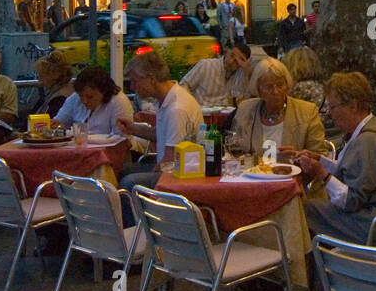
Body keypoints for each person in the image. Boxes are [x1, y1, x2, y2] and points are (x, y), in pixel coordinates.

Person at [294, 72, 376, 247]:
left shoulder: (368, 140)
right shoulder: (373, 127)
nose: (329, 114)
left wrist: (321, 174)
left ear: (353, 106)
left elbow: (350, 201)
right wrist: (320, 161)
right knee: (312, 209)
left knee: (302, 212)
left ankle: (310, 272)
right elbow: (353, 172)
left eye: (332, 107)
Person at [117, 50, 204, 185]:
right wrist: (132, 128)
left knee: (129, 181)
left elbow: (169, 160)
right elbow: (160, 134)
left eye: (135, 81)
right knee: (122, 170)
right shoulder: (166, 98)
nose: (133, 87)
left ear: (151, 79)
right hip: (172, 167)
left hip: (179, 173)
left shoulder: (177, 109)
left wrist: (147, 177)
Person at [230, 58, 328, 156]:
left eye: (280, 85)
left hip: (292, 169)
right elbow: (235, 147)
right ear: (258, 90)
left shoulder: (307, 112)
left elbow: (321, 156)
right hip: (253, 170)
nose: (276, 91)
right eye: (269, 87)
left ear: (287, 85)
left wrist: (298, 155)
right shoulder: (246, 109)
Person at [54, 65, 134, 135]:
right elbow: (59, 123)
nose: (84, 101)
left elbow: (122, 138)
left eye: (90, 97)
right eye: (81, 96)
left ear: (104, 91)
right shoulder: (75, 98)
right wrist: (55, 125)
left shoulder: (119, 102)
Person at [180, 43, 252, 107]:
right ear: (226, 53)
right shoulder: (206, 65)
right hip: (202, 112)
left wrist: (246, 73)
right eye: (231, 56)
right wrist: (191, 105)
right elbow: (183, 85)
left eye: (236, 61)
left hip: (226, 116)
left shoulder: (241, 74)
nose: (231, 61)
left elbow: (245, 101)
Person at [23, 52, 74, 118]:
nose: (39, 80)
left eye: (41, 76)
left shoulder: (59, 98)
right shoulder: (62, 91)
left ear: (54, 75)